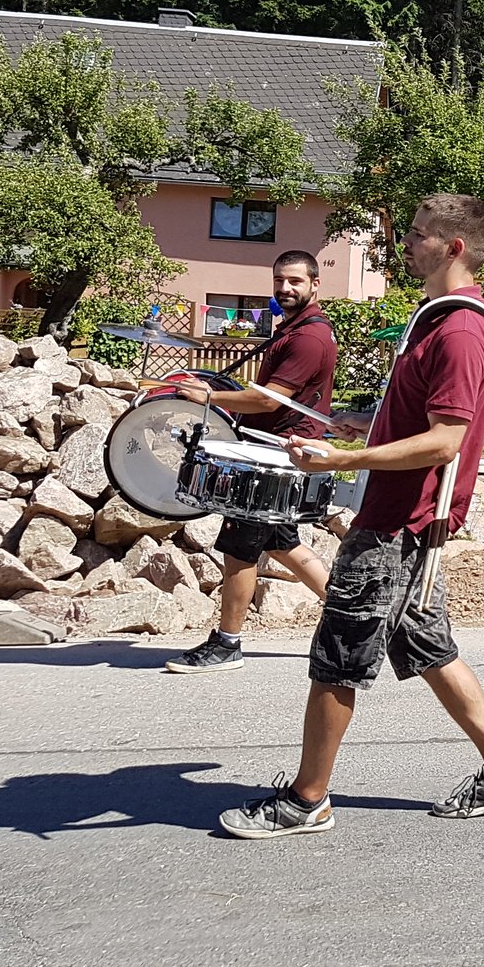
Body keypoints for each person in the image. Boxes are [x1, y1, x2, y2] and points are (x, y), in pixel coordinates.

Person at [216, 194, 484, 838]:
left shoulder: (461, 330)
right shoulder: (434, 319)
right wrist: (355, 426)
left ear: (454, 247)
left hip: (396, 521)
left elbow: (446, 439)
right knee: (425, 643)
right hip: (406, 516)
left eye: (418, 235)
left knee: (336, 656)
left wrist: (341, 458)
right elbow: (422, 422)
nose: (407, 243)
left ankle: (307, 801)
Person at [164, 251, 338, 674]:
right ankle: (359, 618)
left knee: (239, 546)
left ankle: (227, 643)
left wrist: (208, 396)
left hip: (274, 452)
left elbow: (267, 398)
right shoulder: (292, 329)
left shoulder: (308, 338)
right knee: (281, 541)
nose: (285, 288)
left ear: (316, 285)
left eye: (295, 281)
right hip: (277, 447)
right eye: (280, 280)